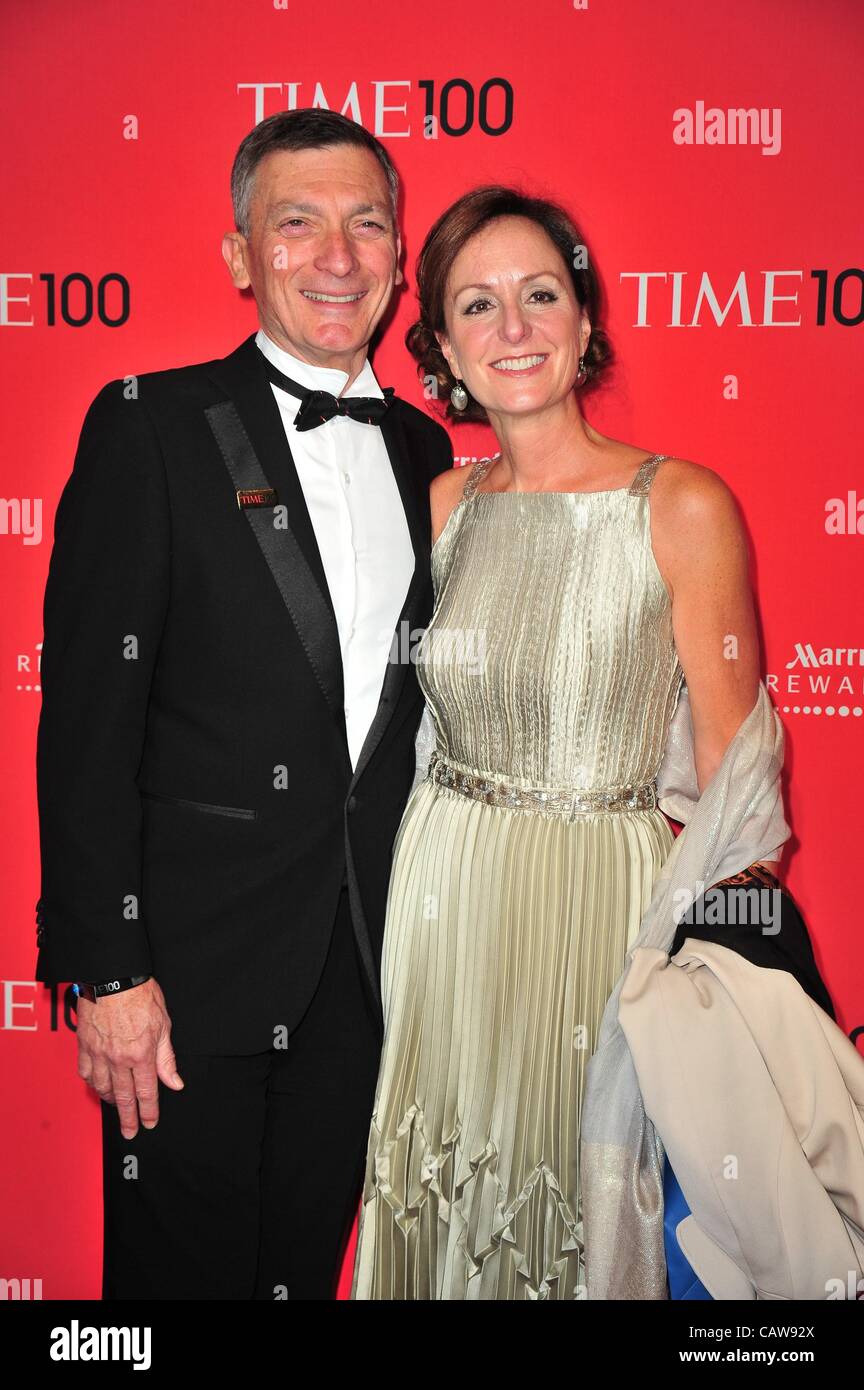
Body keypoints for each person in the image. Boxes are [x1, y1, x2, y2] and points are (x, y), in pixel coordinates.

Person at [33, 107, 452, 1300]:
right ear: (238, 256)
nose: (336, 254)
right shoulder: (149, 427)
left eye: (366, 223)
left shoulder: (434, 457)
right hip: (186, 976)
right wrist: (108, 971)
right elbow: (88, 723)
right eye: (297, 222)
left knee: (304, 1271)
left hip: (371, 968)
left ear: (397, 254)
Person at [350, 185, 781, 1299]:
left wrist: (693, 986)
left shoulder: (679, 504)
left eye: (540, 294)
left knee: (574, 1209)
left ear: (585, 321)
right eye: (477, 306)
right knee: (444, 1188)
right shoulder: (444, 505)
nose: (515, 328)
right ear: (442, 345)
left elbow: (744, 801)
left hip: (602, 915)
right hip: (443, 900)